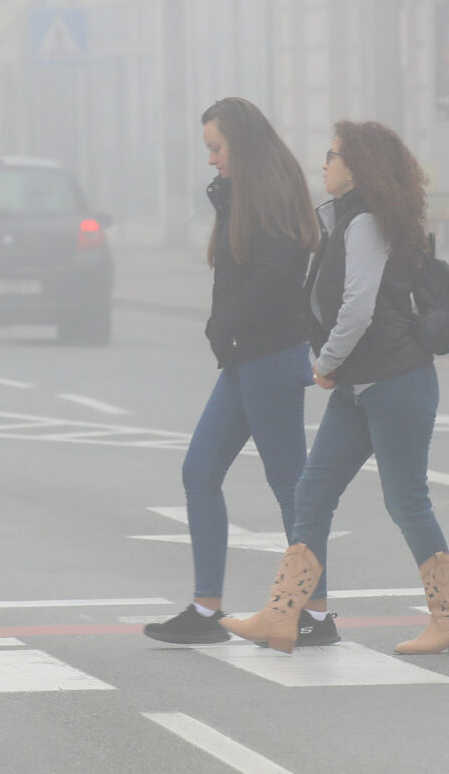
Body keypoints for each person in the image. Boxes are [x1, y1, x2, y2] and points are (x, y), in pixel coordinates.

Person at [225, 120, 449, 657]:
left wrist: (326, 361)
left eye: (333, 155)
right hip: (360, 386)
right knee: (312, 492)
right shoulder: (349, 220)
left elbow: (357, 307)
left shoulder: (364, 223)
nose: (324, 163)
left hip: (396, 381)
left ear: (358, 167)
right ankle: (283, 614)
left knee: (406, 501)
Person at [144, 98, 319, 646]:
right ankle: (206, 609)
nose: (212, 159)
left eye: (217, 148)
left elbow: (275, 274)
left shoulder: (271, 194)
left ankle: (314, 612)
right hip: (247, 357)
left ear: (241, 143)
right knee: (200, 471)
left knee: (289, 485)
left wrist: (225, 323)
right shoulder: (242, 193)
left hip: (271, 356)